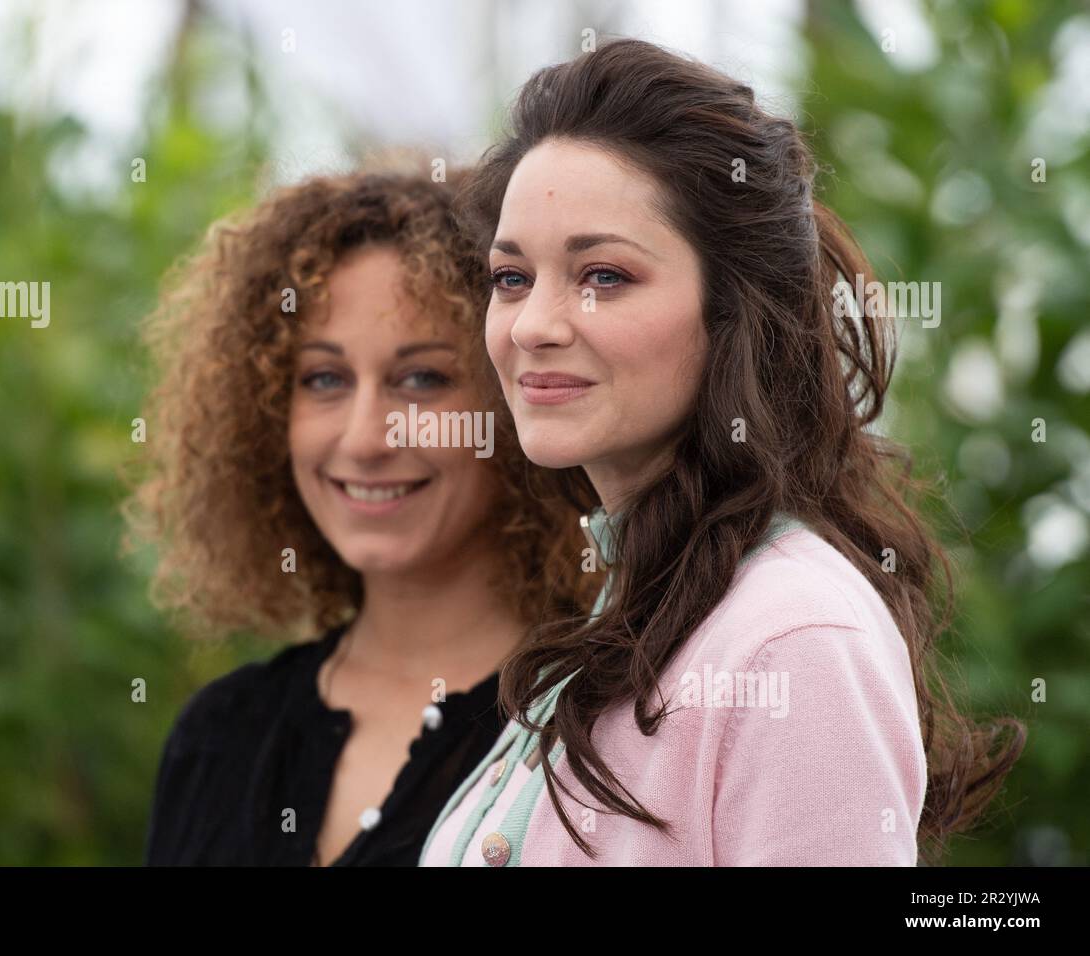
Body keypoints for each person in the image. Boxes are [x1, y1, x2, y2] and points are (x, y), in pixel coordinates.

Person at [420, 38, 1025, 866]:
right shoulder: (634, 595)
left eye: (603, 275)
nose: (533, 326)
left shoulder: (795, 642)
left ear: (733, 310)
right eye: (512, 277)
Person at [127, 164, 600, 865]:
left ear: (513, 401)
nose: (365, 439)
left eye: (421, 379)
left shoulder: (597, 726)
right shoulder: (219, 734)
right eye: (324, 379)